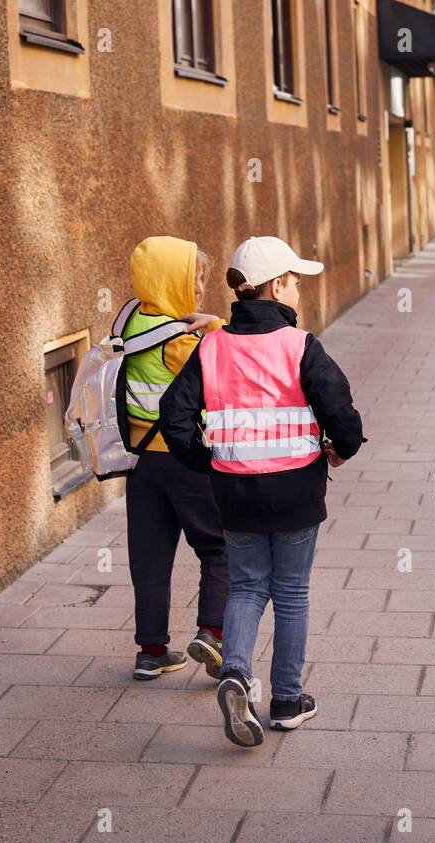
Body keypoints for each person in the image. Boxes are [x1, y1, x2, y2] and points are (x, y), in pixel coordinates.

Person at [160, 236, 364, 748]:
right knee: (291, 592)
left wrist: (207, 461)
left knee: (248, 586)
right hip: (296, 489)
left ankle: (235, 672)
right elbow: (341, 412)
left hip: (234, 491)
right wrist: (342, 448)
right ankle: (289, 700)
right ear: (276, 286)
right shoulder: (300, 345)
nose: (297, 288)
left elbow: (173, 414)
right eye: (294, 279)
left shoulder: (212, 347)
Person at [121, 237, 230, 681]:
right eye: (194, 277)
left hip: (142, 462)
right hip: (185, 461)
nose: (201, 287)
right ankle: (212, 633)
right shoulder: (177, 340)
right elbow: (223, 370)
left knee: (150, 556)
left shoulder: (129, 322)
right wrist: (217, 326)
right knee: (218, 548)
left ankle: (150, 651)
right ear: (171, 280)